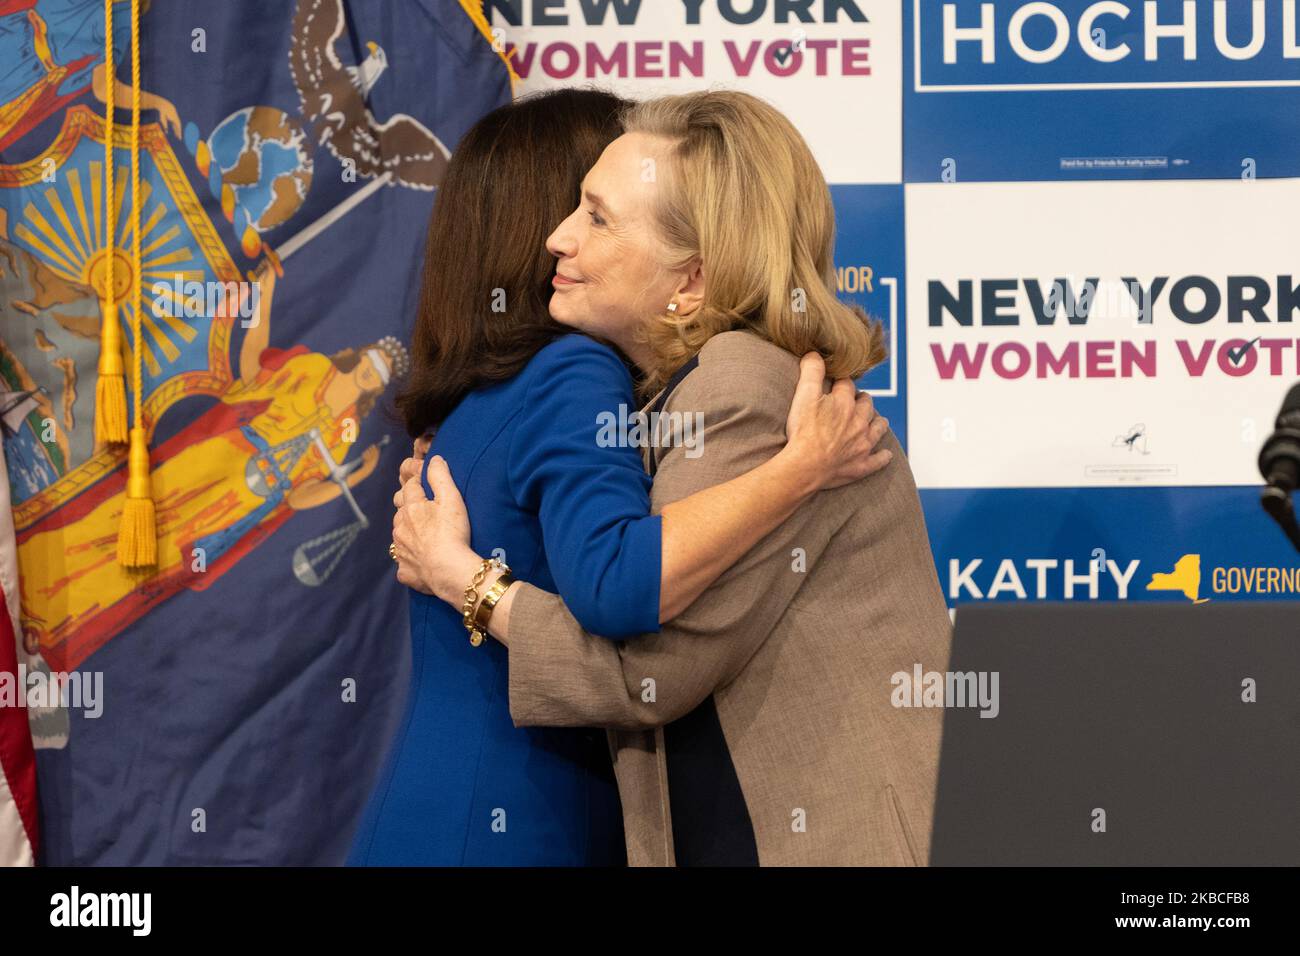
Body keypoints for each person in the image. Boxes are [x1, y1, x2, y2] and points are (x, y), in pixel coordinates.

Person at [397, 91, 953, 866]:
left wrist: (468, 582)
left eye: (595, 217)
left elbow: (645, 674)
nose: (557, 235)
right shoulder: (671, 393)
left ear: (689, 283)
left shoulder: (744, 390)